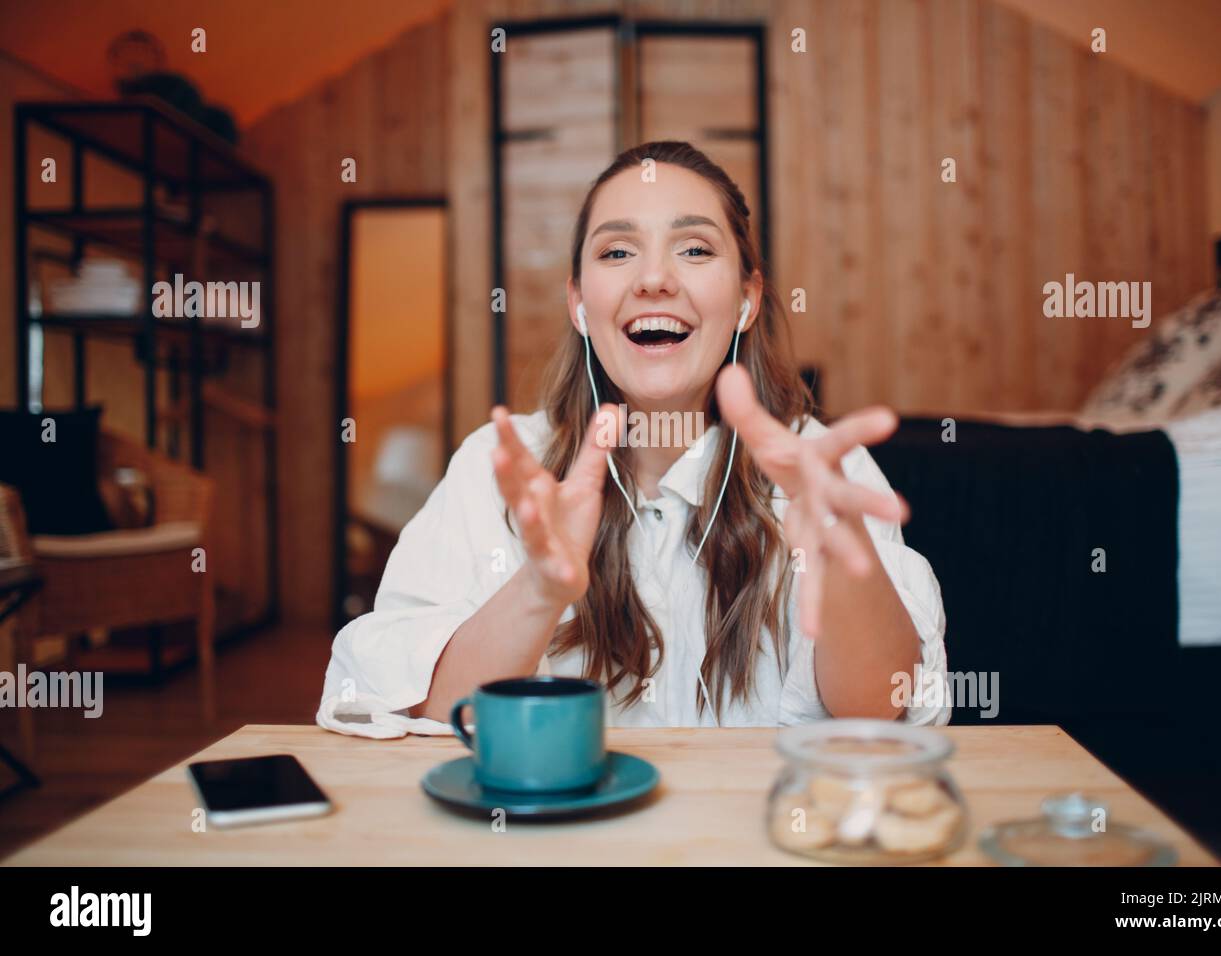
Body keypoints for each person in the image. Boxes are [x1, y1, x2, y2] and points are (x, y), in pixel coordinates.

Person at [317, 141, 949, 737]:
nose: (654, 279)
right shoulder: (497, 463)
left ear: (747, 300)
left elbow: (883, 712)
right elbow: (415, 709)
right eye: (617, 252)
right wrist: (538, 589)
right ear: (579, 305)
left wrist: (840, 557)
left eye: (695, 250)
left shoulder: (820, 464)